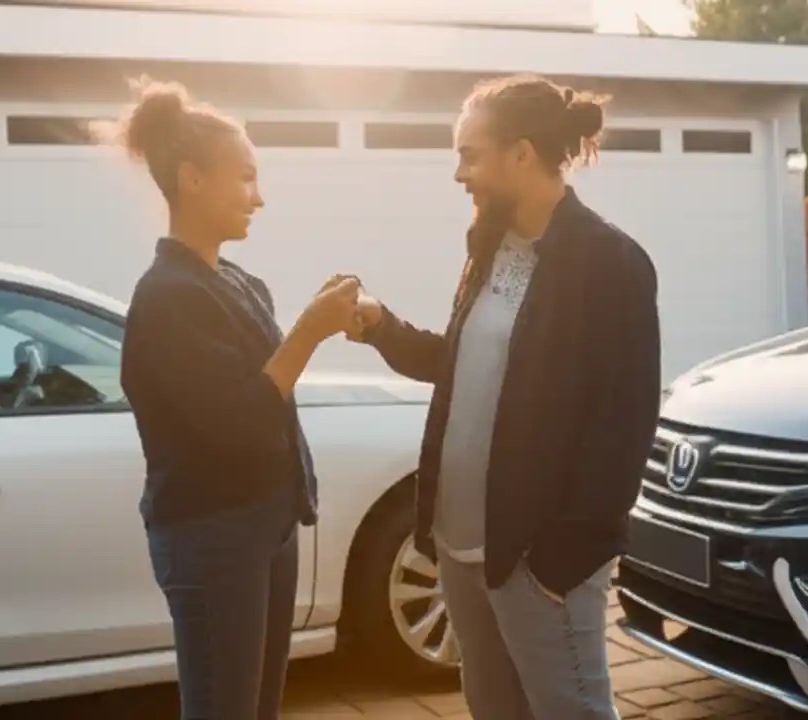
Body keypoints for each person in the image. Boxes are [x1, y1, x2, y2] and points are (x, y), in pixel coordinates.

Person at [349, 74, 661, 719]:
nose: (458, 173)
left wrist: (561, 561)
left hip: (536, 562)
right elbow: (462, 366)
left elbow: (623, 427)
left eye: (470, 153)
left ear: (521, 153)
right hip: (461, 552)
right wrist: (381, 326)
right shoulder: (489, 246)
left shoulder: (612, 262)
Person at [116, 79, 359, 720]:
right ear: (193, 179)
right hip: (211, 536)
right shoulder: (167, 295)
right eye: (246, 178)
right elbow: (242, 420)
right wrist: (311, 328)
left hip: (262, 525)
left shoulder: (231, 279)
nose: (259, 197)